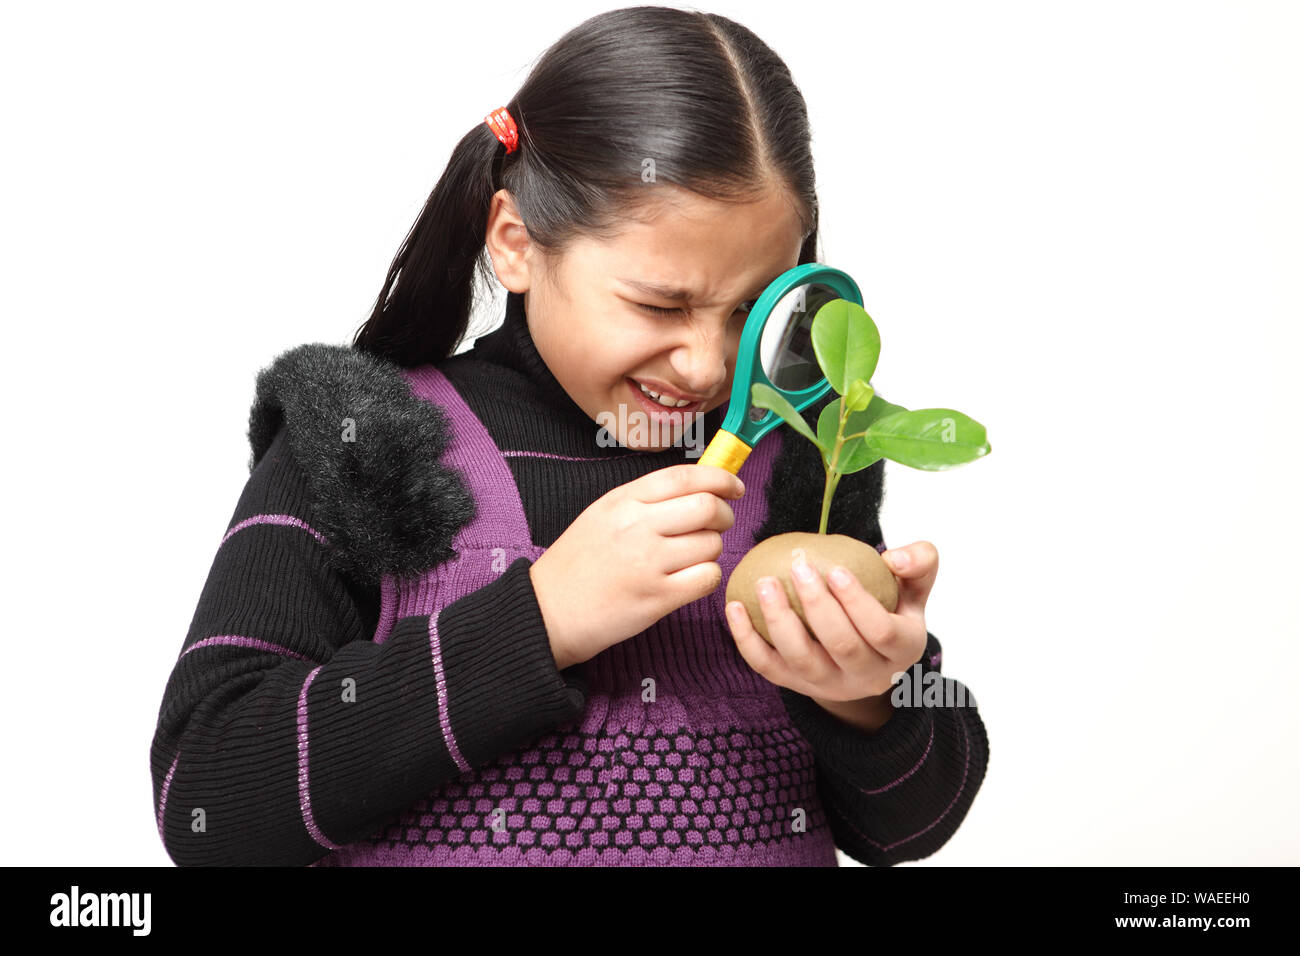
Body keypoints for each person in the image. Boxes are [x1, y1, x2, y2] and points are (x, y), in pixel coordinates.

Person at [149, 5, 988, 867]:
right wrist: (540, 618)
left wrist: (869, 698)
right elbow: (204, 796)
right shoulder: (368, 442)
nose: (706, 363)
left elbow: (911, 826)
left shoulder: (804, 465)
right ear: (515, 243)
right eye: (660, 304)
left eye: (751, 307)